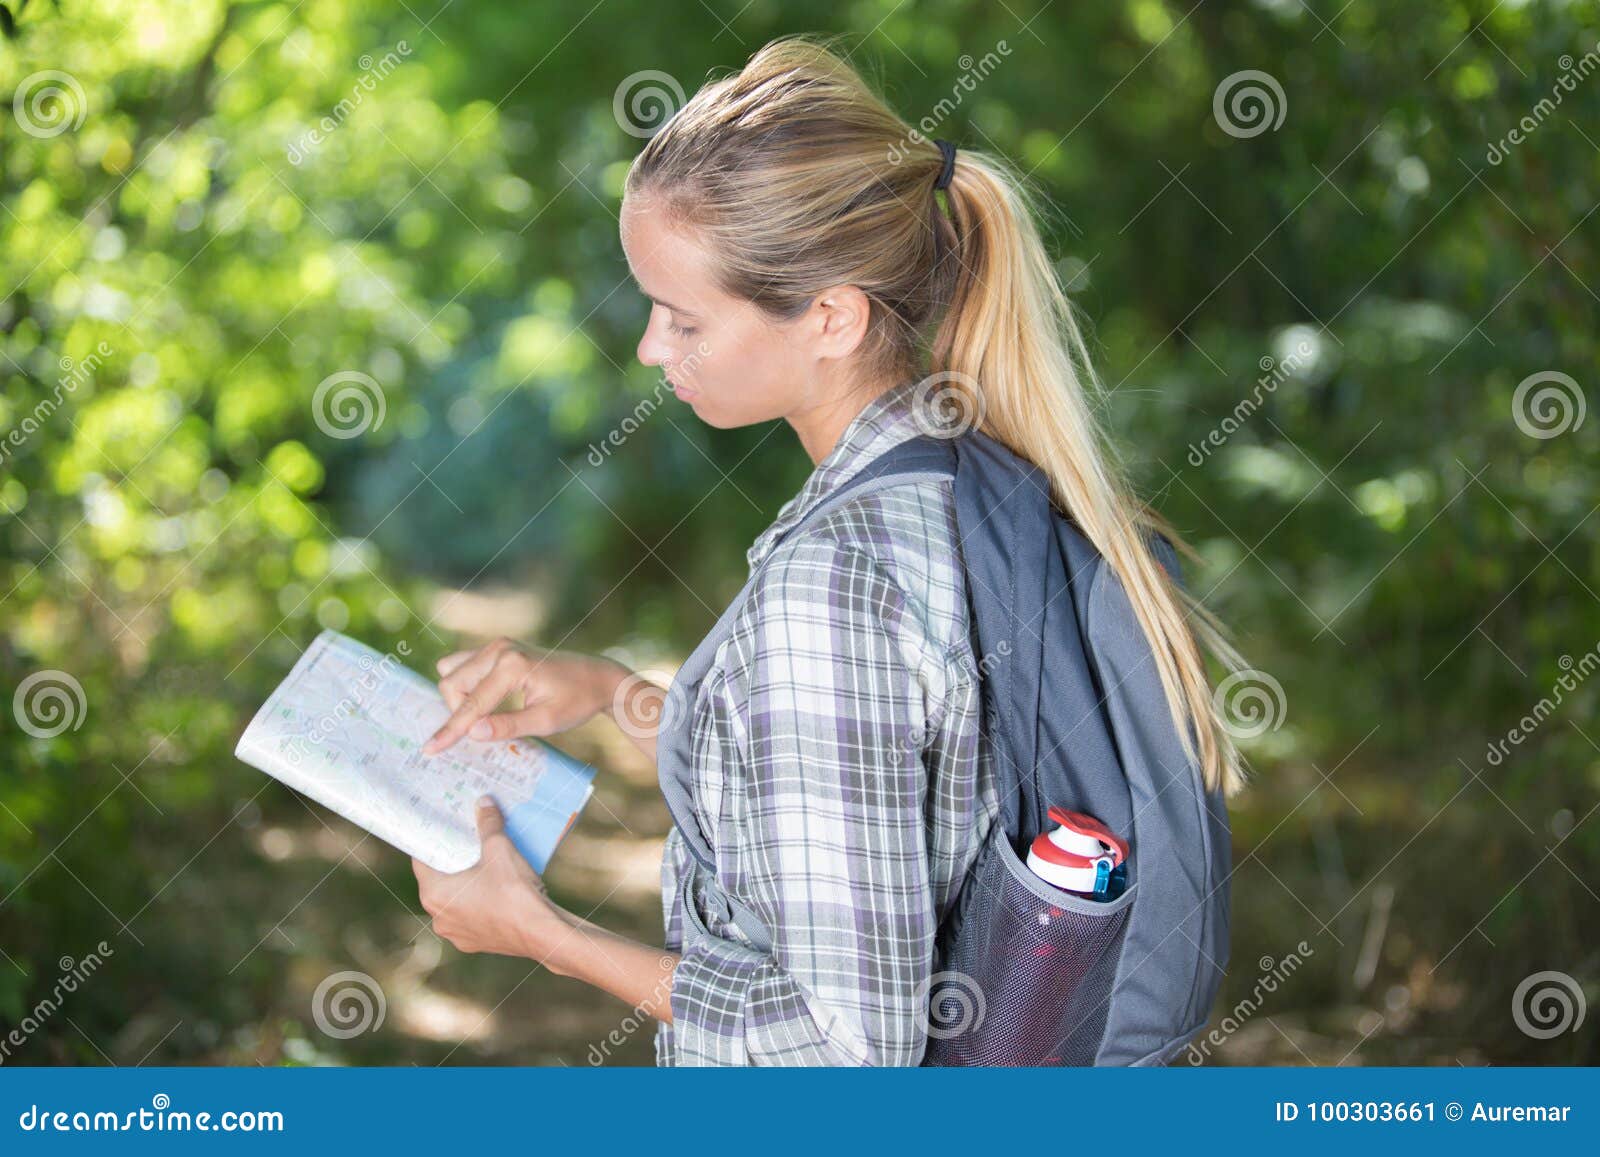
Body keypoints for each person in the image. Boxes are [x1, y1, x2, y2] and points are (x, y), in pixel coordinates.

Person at [409, 35, 1246, 1067]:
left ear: (831, 317)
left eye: (682, 318)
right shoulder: (959, 481)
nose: (648, 348)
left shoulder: (836, 581)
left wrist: (542, 934)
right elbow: (861, 794)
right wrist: (608, 689)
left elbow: (840, 1044)